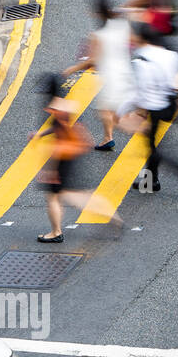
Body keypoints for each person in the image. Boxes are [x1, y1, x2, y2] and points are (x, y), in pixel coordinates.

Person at [32, 74, 122, 243]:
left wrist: (50, 170)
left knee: (61, 196)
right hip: (74, 153)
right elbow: (61, 127)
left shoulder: (53, 107)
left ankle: (56, 232)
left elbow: (60, 140)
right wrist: (40, 134)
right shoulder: (65, 104)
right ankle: (111, 215)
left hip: (65, 155)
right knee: (69, 195)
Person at [125, 24, 178, 197]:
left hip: (155, 106)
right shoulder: (172, 55)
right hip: (169, 104)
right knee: (151, 144)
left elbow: (141, 90)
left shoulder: (141, 60)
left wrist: (135, 112)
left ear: (143, 40)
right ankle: (150, 182)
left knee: (159, 150)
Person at [62, 0, 134, 151]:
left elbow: (92, 61)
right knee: (108, 107)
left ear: (97, 13)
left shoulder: (98, 35)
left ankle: (125, 133)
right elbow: (130, 42)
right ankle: (108, 138)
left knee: (107, 110)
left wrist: (72, 69)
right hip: (125, 70)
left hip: (111, 75)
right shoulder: (122, 24)